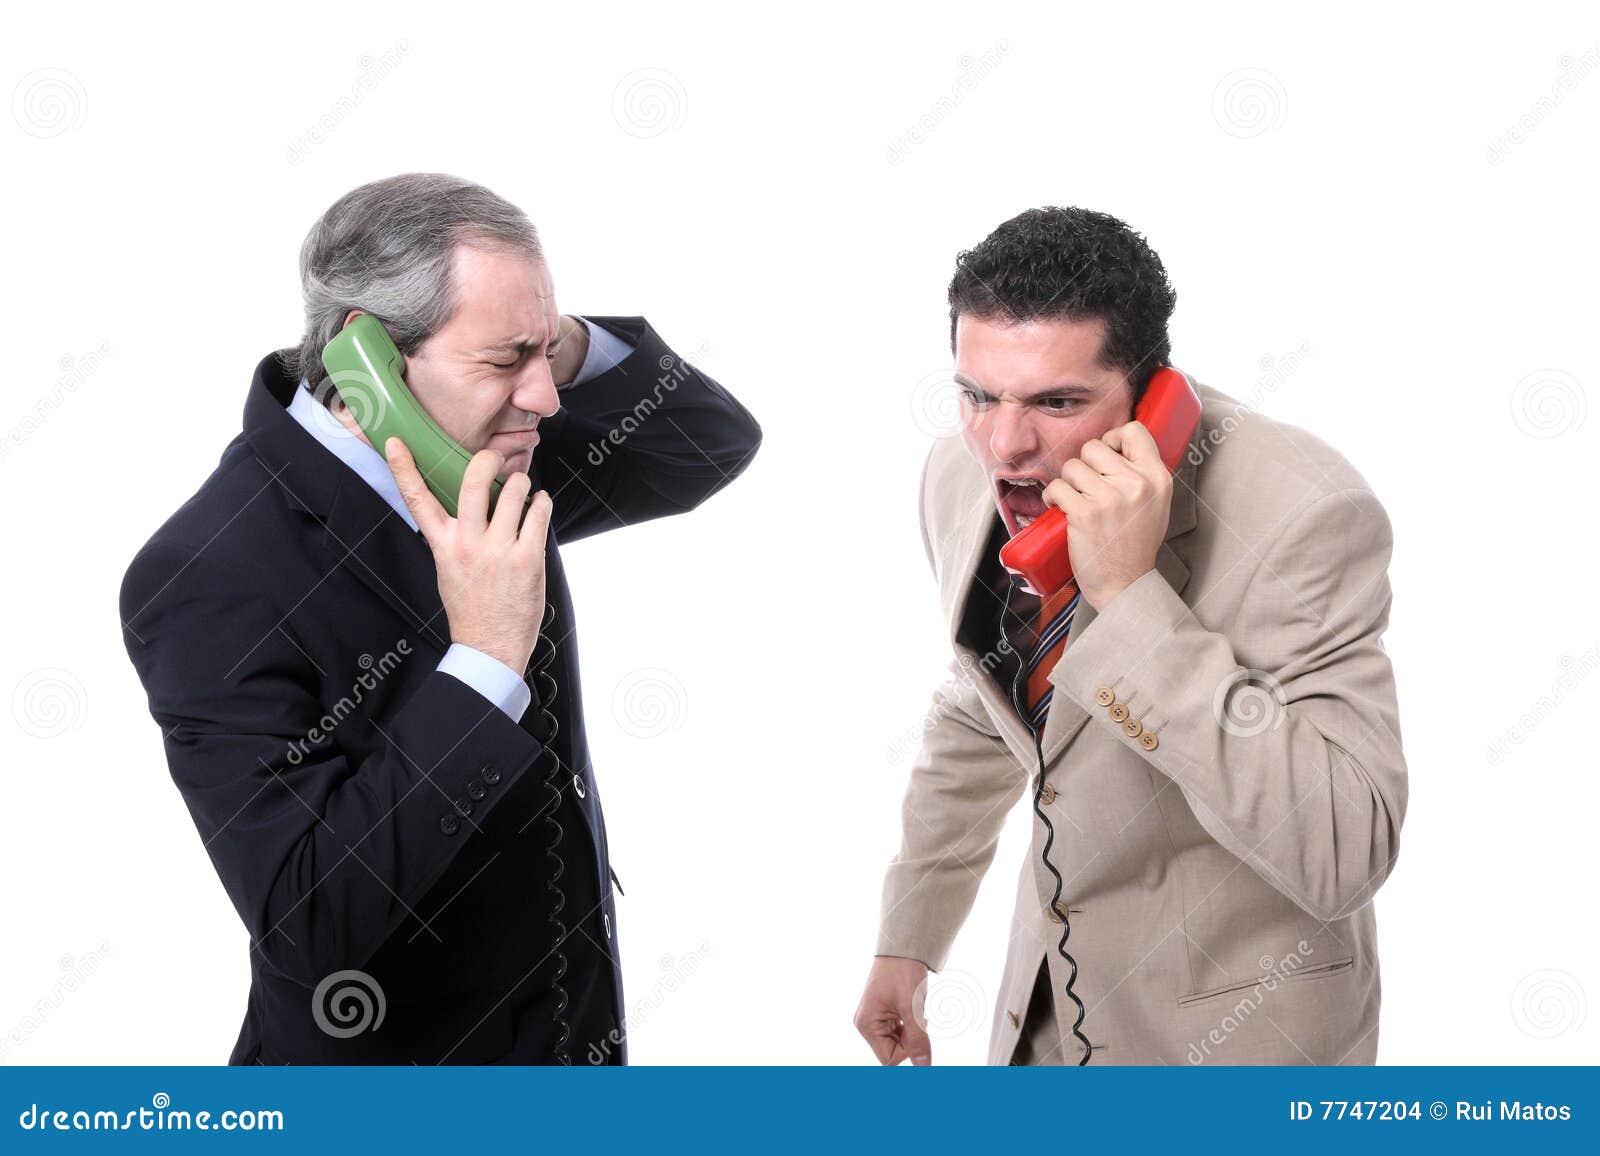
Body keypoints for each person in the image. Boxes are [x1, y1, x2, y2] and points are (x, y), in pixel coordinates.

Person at [119, 173, 761, 1064]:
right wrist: (486, 656)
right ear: (367, 361)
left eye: (545, 357)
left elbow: (705, 444)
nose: (544, 398)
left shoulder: (491, 450)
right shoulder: (206, 573)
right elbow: (310, 922)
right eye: (504, 361)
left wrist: (544, 337)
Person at [855, 207, 1407, 1065]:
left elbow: (1344, 849)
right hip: (1042, 1027)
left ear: (1150, 393)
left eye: (1058, 402)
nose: (1005, 446)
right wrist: (910, 935)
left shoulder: (1304, 513)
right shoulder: (957, 478)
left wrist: (1130, 596)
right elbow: (988, 711)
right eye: (976, 396)